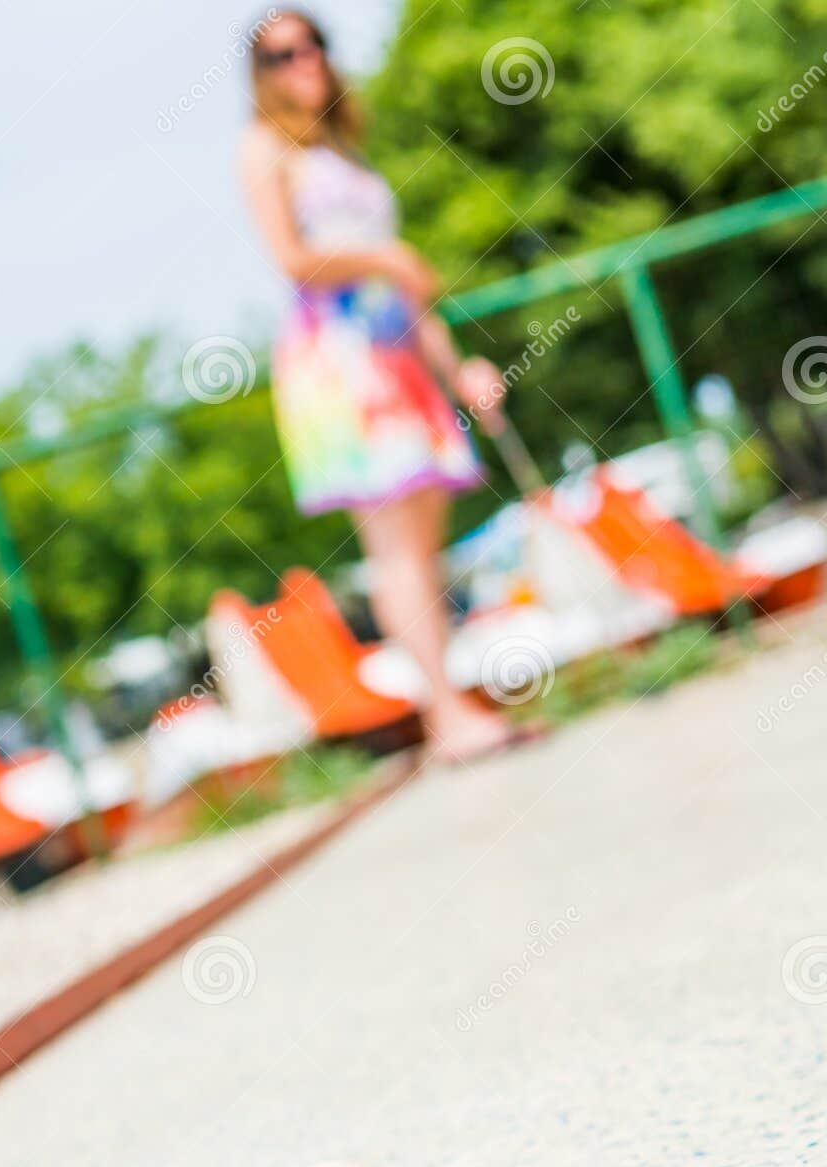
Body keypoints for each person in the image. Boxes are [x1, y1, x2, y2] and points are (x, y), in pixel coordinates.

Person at [239, 9, 531, 762]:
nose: (302, 61)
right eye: (280, 54)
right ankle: (444, 717)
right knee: (395, 546)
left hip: (397, 351)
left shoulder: (339, 147)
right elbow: (293, 259)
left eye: (312, 45)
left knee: (421, 545)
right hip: (339, 363)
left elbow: (408, 290)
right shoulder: (262, 150)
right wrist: (388, 260)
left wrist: (456, 365)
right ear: (259, 71)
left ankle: (450, 708)